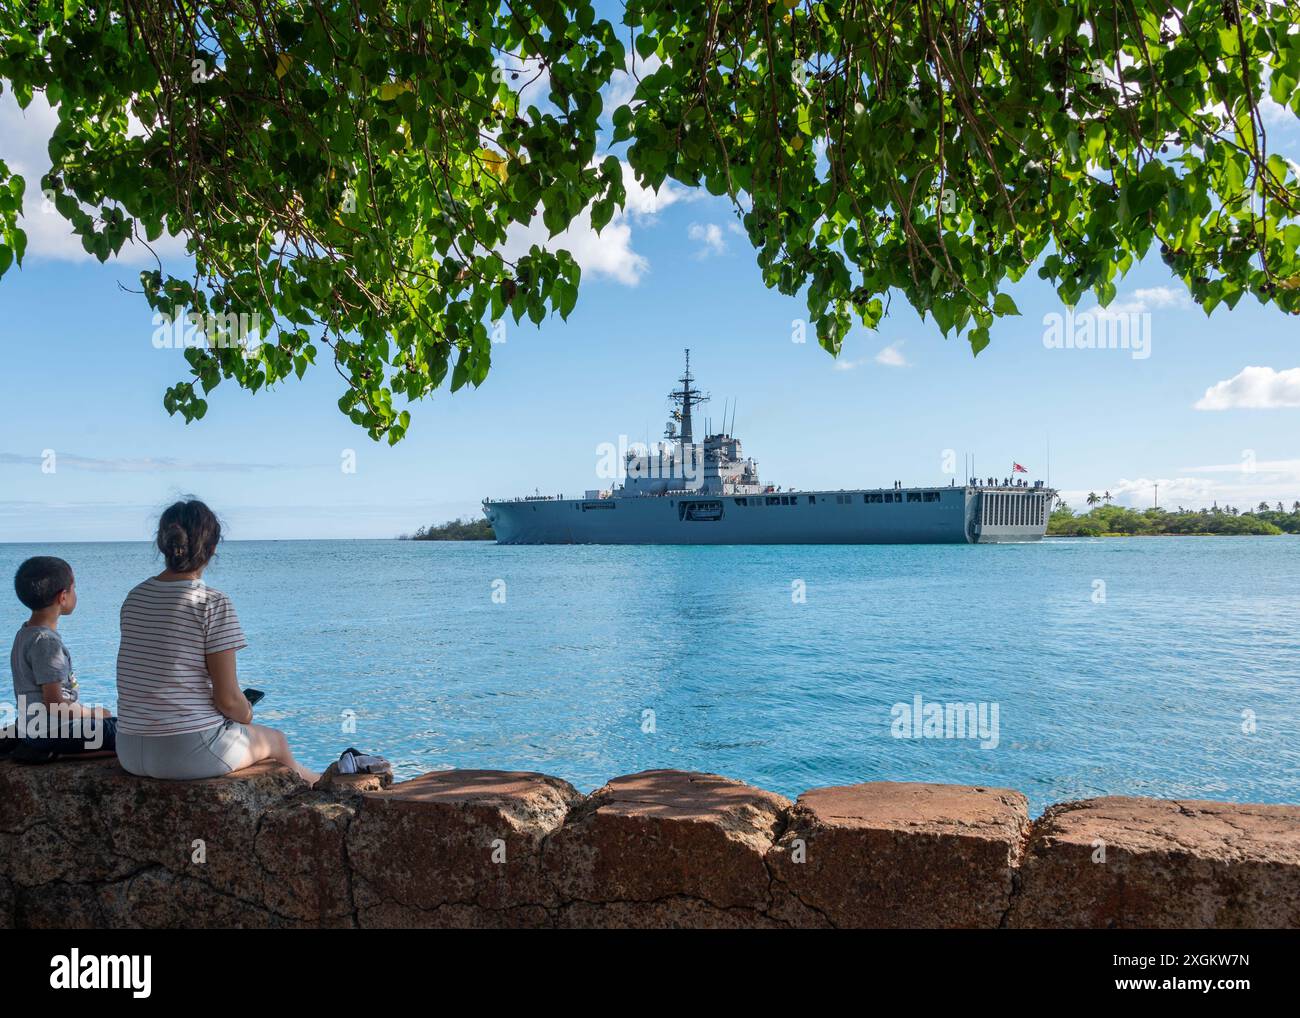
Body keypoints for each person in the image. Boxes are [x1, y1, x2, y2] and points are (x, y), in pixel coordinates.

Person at [115, 500, 319, 784]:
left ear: (163, 544)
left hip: (128, 748)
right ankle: (317, 793)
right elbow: (227, 700)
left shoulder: (135, 597)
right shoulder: (211, 603)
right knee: (277, 741)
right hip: (185, 751)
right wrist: (245, 712)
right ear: (211, 548)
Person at [8, 556, 116, 760]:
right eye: (74, 588)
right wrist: (92, 713)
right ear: (62, 597)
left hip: (34, 728)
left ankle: (47, 750)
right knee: (128, 732)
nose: (76, 593)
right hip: (51, 733)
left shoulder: (24, 634)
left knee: (110, 720)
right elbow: (54, 703)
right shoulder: (46, 643)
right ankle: (53, 753)